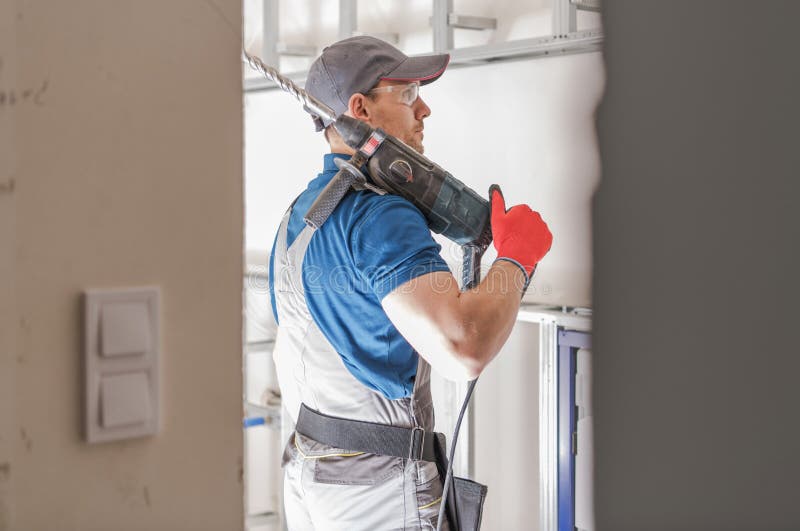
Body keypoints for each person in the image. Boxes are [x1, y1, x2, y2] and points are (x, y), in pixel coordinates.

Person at [268, 35, 552, 530]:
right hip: (378, 492)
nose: (424, 110)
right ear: (361, 109)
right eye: (406, 95)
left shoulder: (301, 213)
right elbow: (462, 347)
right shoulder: (379, 214)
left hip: (314, 480)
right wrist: (517, 258)